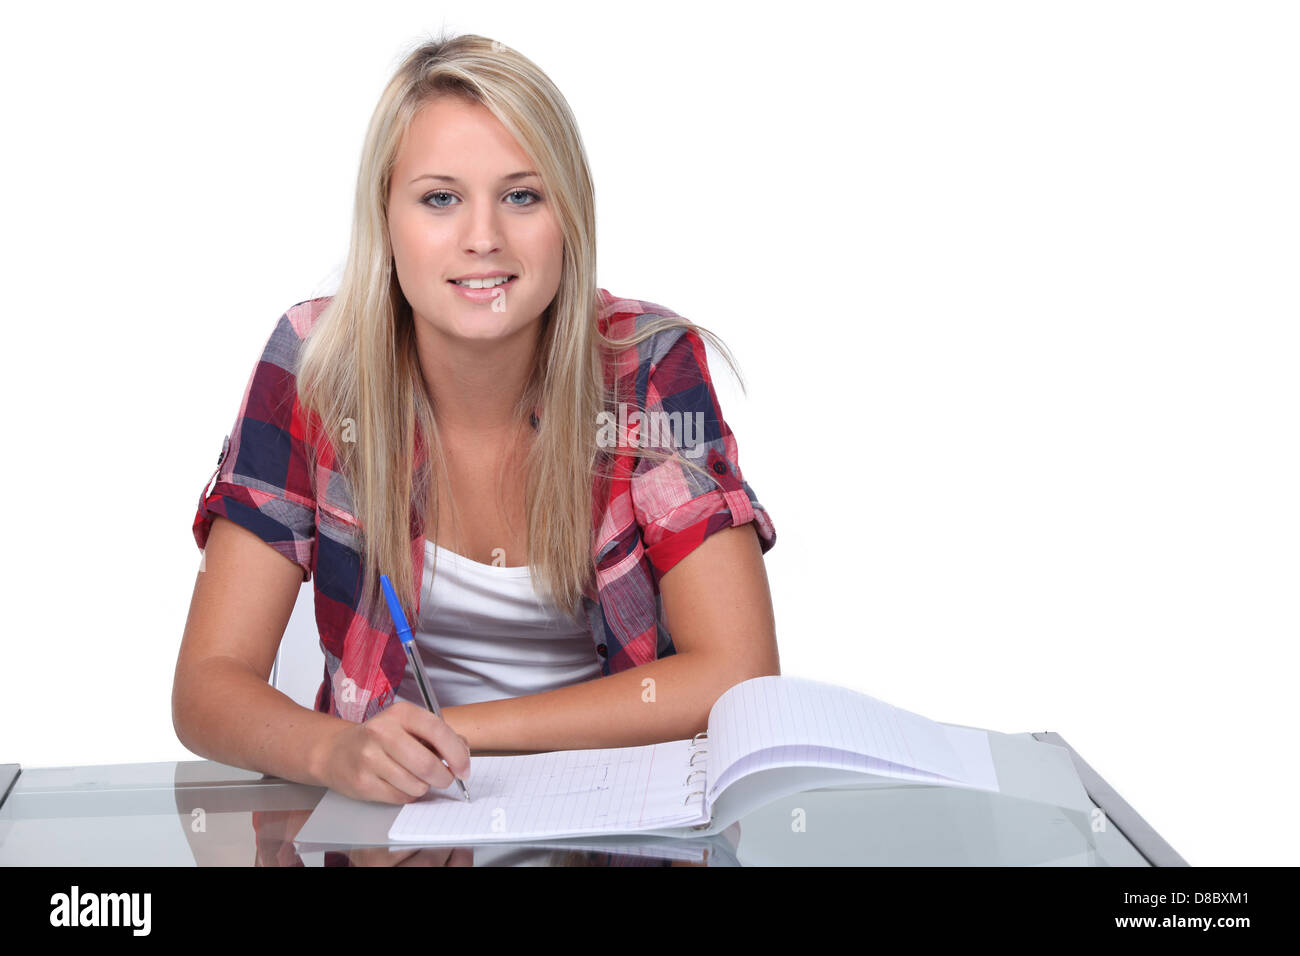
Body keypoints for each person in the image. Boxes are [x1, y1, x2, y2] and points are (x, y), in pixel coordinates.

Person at [172, 33, 779, 807]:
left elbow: (737, 672)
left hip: (612, 827)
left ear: (571, 218)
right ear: (385, 220)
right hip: (394, 837)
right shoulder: (316, 367)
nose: (483, 237)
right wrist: (338, 751)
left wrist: (453, 728)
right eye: (439, 198)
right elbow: (207, 687)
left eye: (523, 195)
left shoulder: (648, 367)